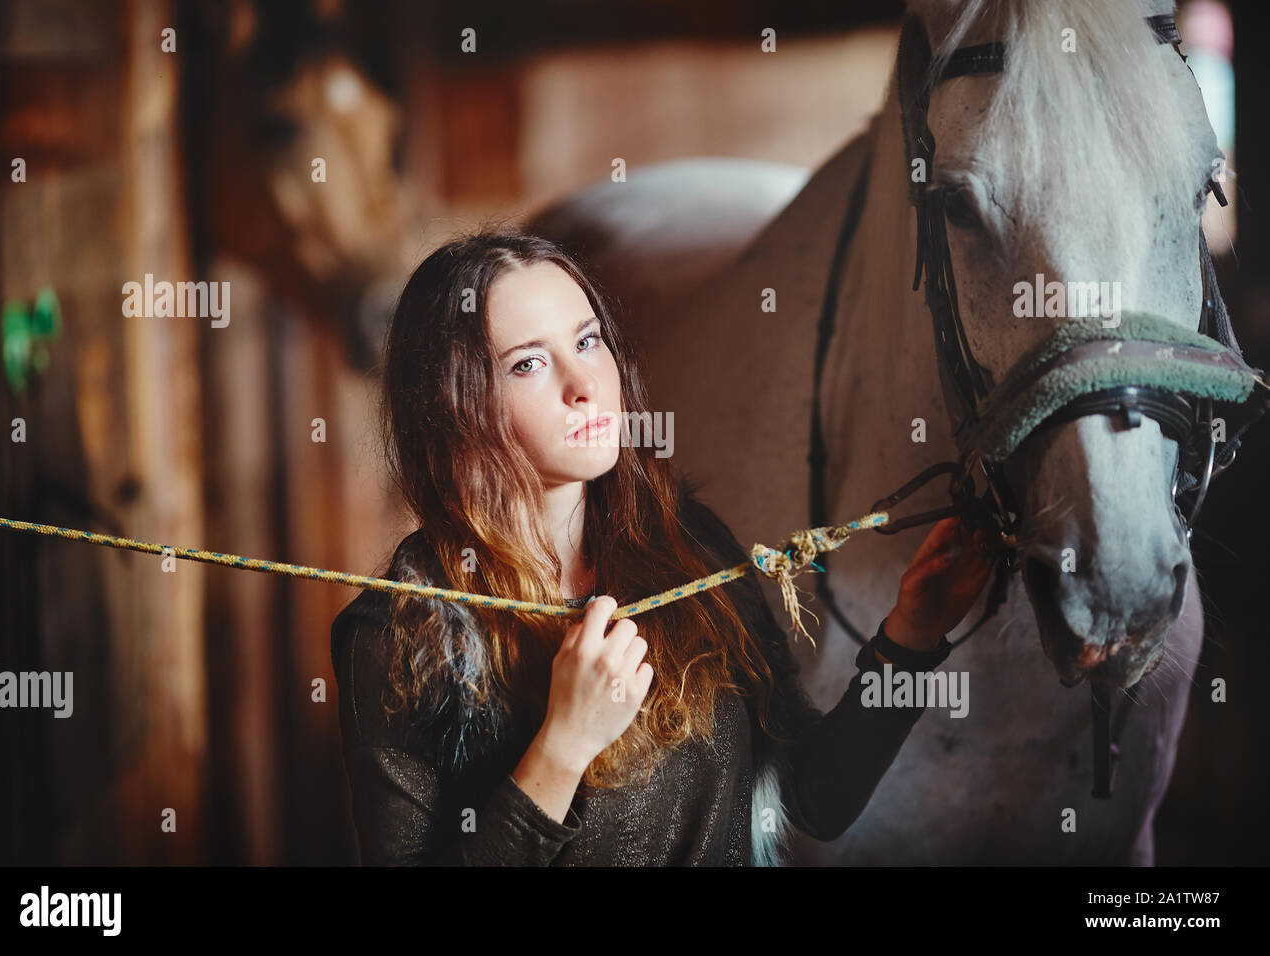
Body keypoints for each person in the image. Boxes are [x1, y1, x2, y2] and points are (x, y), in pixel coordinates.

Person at [330, 229, 998, 865]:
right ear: (453, 404)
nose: (583, 383)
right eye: (528, 363)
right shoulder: (396, 635)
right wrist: (561, 749)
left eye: (588, 341)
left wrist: (911, 637)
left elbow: (814, 800)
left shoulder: (692, 548)